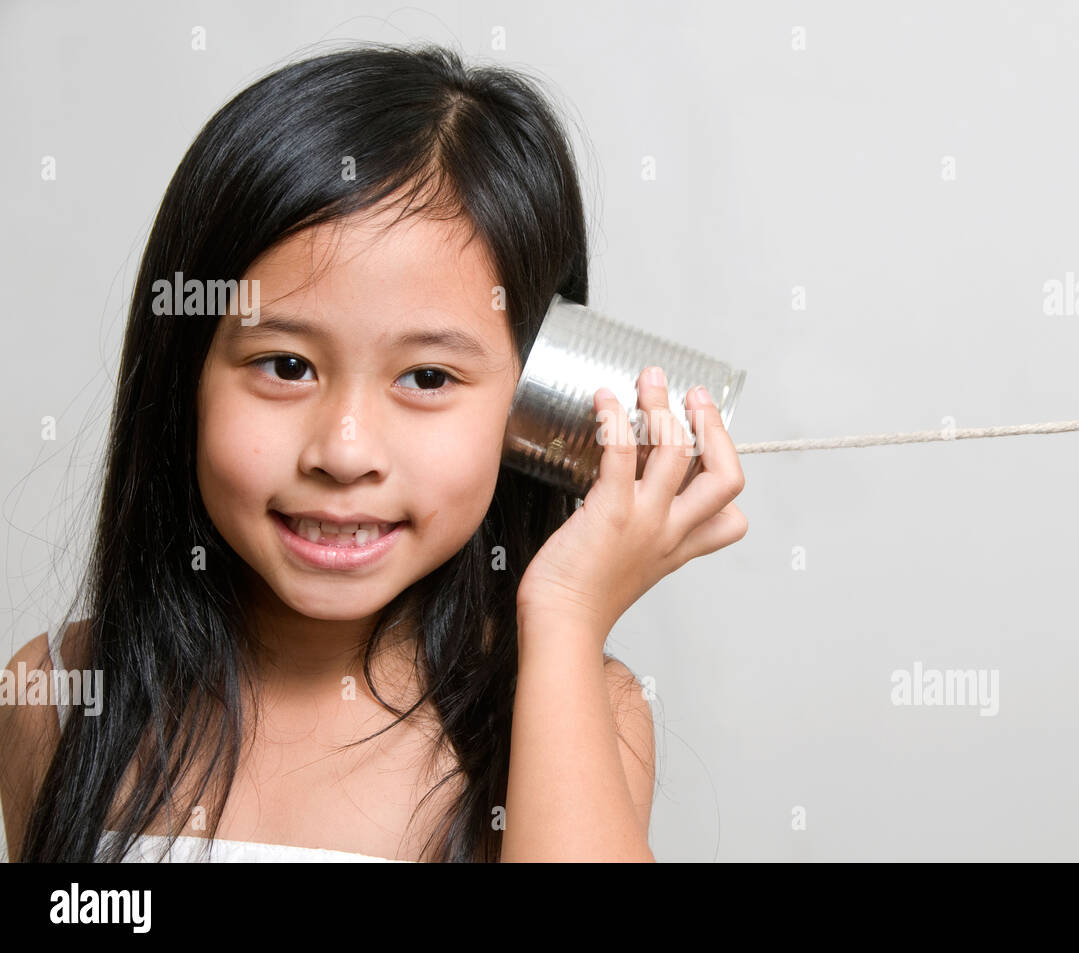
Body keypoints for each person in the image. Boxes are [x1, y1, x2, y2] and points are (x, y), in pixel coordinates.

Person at [0, 42, 746, 863]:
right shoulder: (58, 698)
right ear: (185, 373)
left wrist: (565, 617)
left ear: (533, 400)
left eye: (426, 376)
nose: (345, 452)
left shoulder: (573, 706)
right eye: (286, 366)